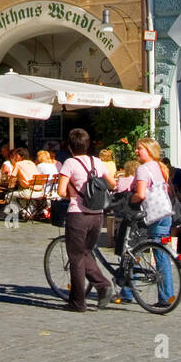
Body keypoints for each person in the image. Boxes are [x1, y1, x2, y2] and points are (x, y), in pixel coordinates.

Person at [55, 128, 117, 311]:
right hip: (97, 215)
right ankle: (102, 285)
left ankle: (78, 302)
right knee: (86, 252)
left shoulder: (69, 163)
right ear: (88, 144)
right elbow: (112, 183)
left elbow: (60, 190)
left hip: (78, 214)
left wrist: (72, 196)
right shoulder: (96, 161)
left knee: (75, 257)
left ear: (70, 146)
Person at [121, 137, 174, 304]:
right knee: (161, 253)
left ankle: (129, 292)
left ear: (150, 151)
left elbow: (141, 194)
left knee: (131, 249)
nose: (136, 151)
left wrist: (129, 201)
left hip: (150, 216)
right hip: (165, 214)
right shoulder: (160, 167)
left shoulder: (143, 169)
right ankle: (167, 295)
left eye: (140, 148)